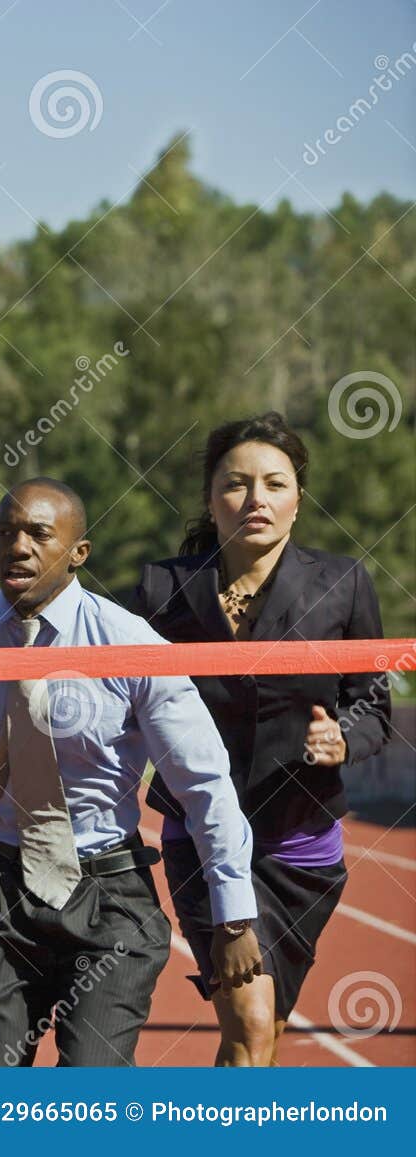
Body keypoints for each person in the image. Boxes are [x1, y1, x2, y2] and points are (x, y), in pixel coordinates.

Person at [0, 478, 260, 1067]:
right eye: (5, 532)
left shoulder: (132, 647)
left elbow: (203, 781)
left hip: (108, 896)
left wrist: (233, 910)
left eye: (40, 534)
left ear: (78, 552)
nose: (18, 546)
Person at [132, 412, 390, 1066]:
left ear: (297, 498)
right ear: (210, 497)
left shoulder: (343, 583)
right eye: (236, 483)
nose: (256, 499)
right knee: (249, 1025)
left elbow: (373, 701)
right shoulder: (162, 589)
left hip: (299, 841)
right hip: (205, 836)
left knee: (260, 1032)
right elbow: (113, 695)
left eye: (274, 483)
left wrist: (344, 737)